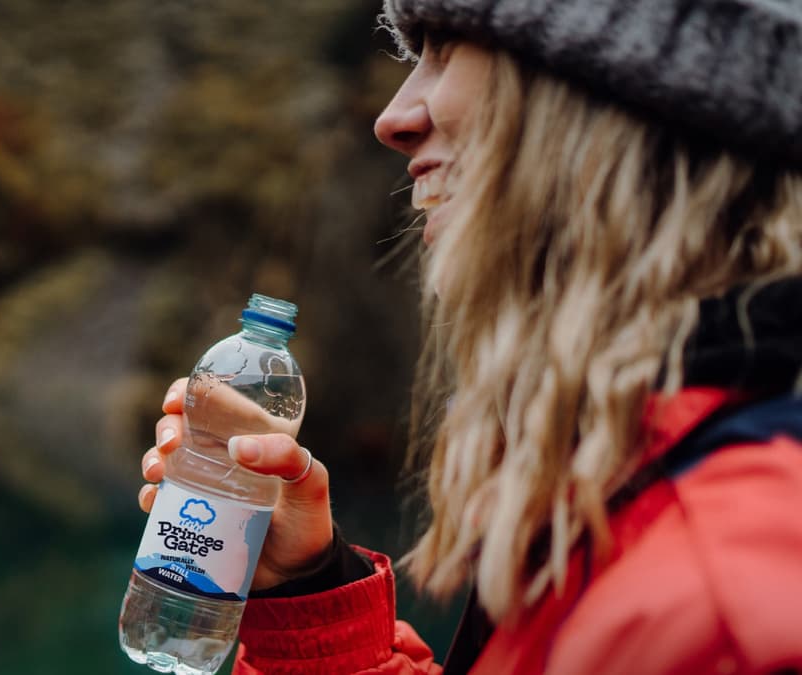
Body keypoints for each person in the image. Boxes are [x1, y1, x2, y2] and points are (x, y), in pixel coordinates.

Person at [139, 0, 802, 672]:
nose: (392, 118)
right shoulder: (618, 482)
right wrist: (308, 586)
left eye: (446, 48)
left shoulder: (719, 612)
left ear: (627, 87)